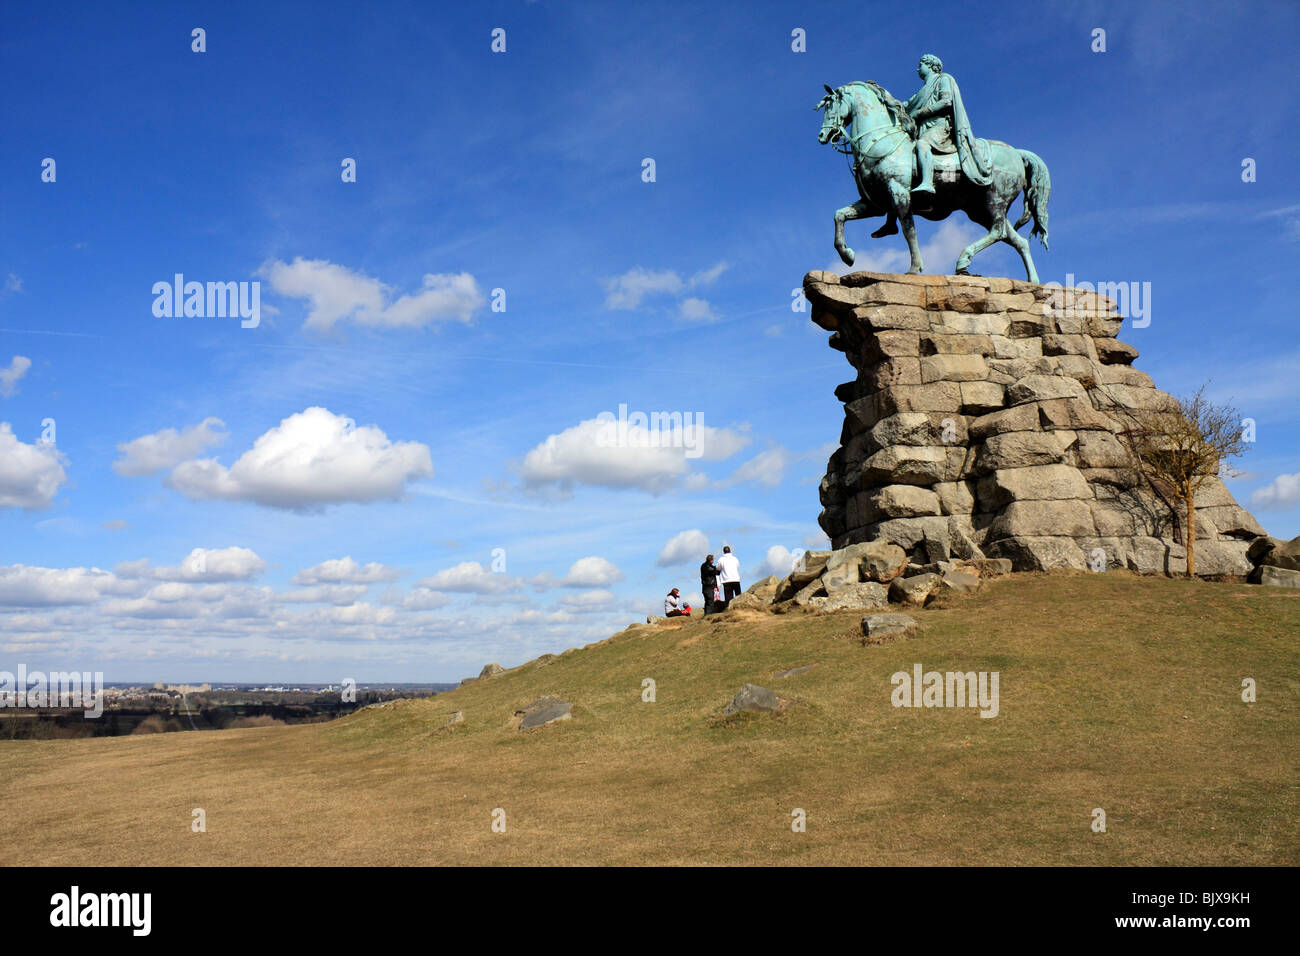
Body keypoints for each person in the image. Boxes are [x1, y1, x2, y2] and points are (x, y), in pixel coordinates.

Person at [903, 53, 992, 195]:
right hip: (922, 129)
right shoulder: (919, 93)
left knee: (922, 144)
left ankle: (927, 183)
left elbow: (946, 101)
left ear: (931, 66)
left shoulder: (943, 79)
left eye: (921, 65)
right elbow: (906, 106)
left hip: (939, 126)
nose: (917, 69)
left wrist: (919, 113)